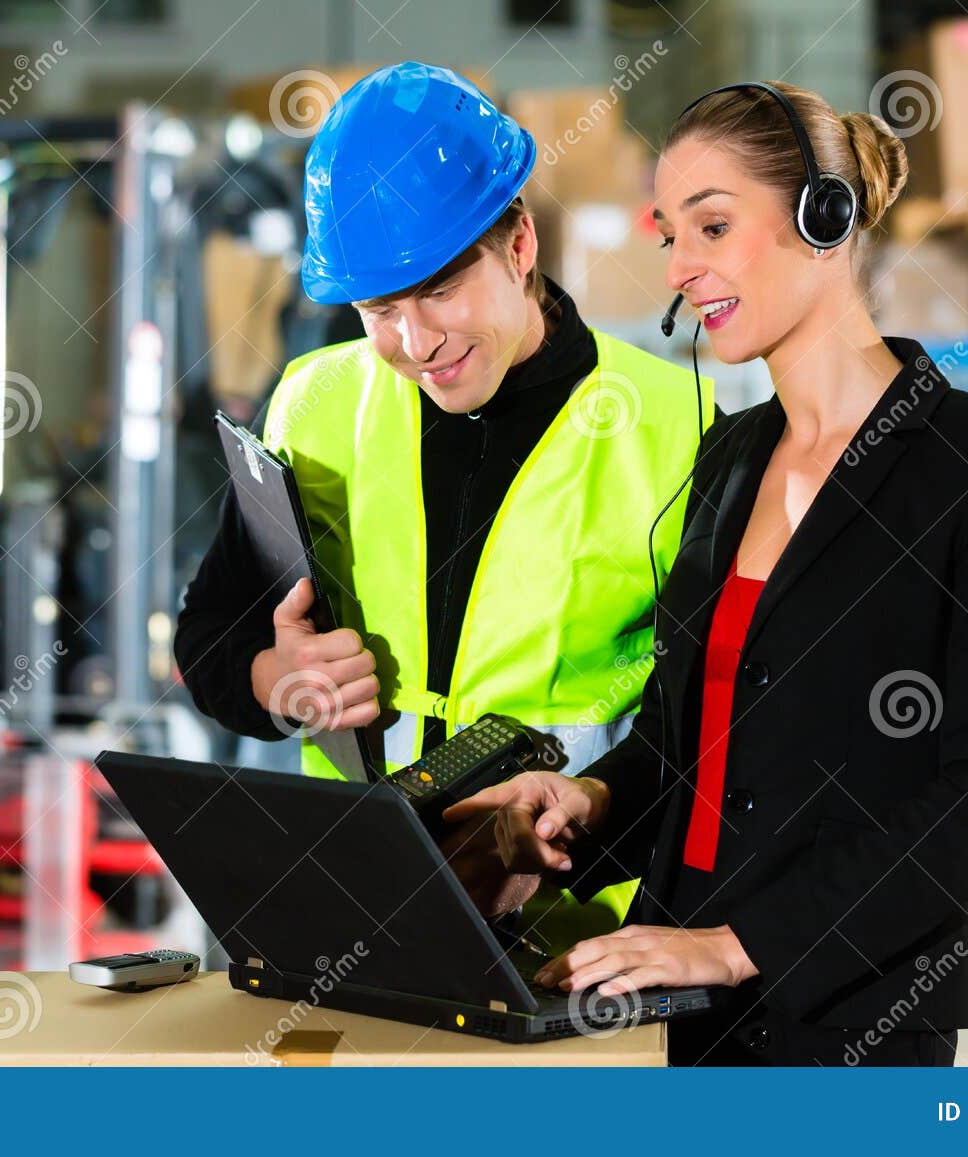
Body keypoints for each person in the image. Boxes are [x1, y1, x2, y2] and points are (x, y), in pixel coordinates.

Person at [446, 81, 968, 1066]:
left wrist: (740, 946)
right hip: (668, 987)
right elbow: (682, 740)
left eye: (711, 225)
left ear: (822, 214)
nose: (682, 268)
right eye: (669, 236)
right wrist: (593, 804)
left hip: (845, 1014)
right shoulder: (731, 454)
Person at [174, 62, 715, 944]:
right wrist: (280, 681)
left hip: (573, 928)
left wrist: (583, 814)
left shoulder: (676, 423)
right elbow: (212, 633)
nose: (415, 343)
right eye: (379, 309)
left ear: (519, 245)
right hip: (355, 899)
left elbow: (706, 718)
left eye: (439, 290)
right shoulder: (315, 403)